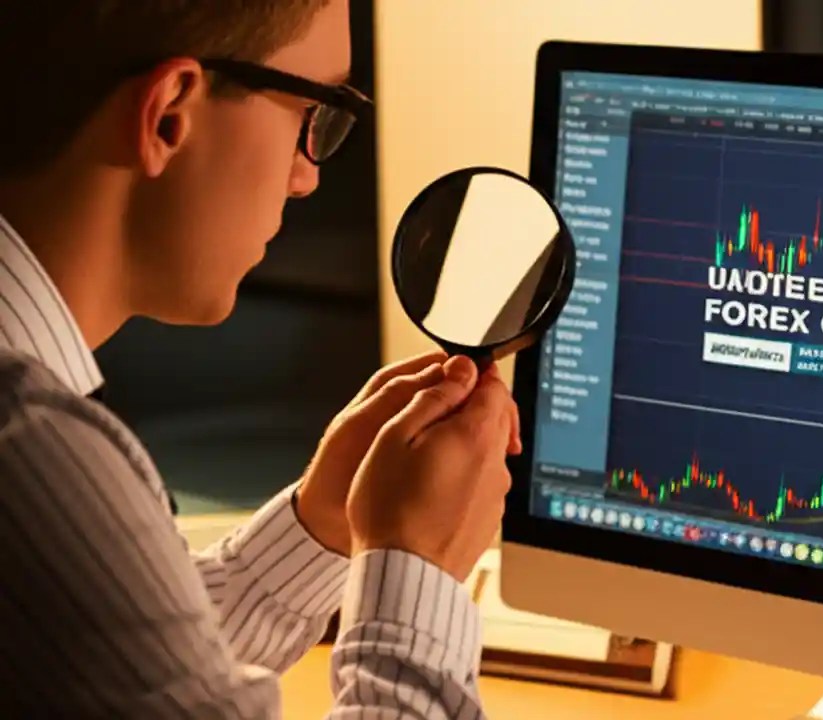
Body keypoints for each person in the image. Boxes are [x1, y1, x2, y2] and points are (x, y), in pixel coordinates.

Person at [0, 1, 516, 717]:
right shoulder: (31, 454)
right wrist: (416, 568)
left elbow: (122, 659)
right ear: (169, 115)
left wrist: (320, 527)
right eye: (313, 114)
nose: (307, 176)